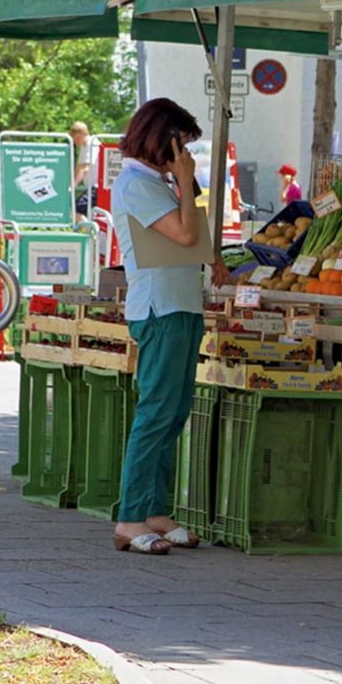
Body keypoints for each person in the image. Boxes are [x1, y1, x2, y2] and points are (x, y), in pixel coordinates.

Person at [110, 97, 209, 556]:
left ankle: (155, 509)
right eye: (181, 144)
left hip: (182, 304)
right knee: (155, 413)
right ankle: (130, 516)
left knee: (173, 413)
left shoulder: (156, 182)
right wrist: (186, 183)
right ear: (162, 140)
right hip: (160, 309)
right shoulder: (136, 183)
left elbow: (193, 239)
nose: (184, 155)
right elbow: (186, 234)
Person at [71, 121, 93, 218]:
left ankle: (90, 232)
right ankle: (89, 229)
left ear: (82, 134)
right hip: (90, 187)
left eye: (76, 139)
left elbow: (85, 168)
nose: (75, 142)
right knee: (76, 210)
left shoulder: (92, 144)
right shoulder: (84, 147)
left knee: (76, 210)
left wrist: (73, 185)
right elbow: (79, 167)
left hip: (96, 188)